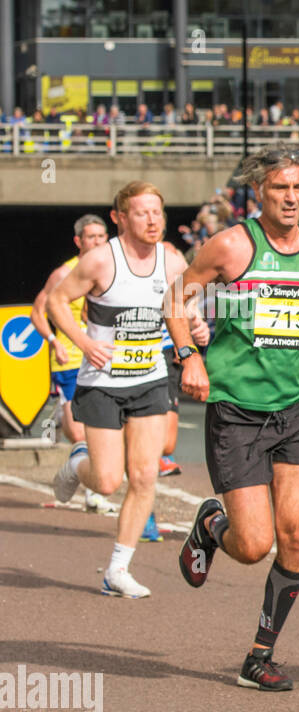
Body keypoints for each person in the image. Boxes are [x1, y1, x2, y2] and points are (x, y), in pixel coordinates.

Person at [170, 146, 299, 691]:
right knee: (253, 544)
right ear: (259, 192)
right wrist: (190, 357)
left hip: (295, 411)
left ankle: (259, 655)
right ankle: (212, 526)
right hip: (237, 412)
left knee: (296, 535)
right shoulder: (233, 246)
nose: (290, 198)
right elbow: (178, 297)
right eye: (279, 188)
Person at [47, 184, 192, 596]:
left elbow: (183, 305)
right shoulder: (100, 261)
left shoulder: (172, 261)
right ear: (120, 218)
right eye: (142, 213)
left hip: (148, 378)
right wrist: (84, 342)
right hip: (103, 384)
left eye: (158, 213)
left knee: (145, 474)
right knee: (108, 481)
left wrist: (192, 326)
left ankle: (117, 569)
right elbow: (57, 302)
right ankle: (78, 463)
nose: (152, 221)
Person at [29, 214, 112, 512]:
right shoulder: (64, 272)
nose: (98, 242)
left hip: (104, 356)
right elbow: (38, 312)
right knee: (79, 431)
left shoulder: (112, 268)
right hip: (70, 357)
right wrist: (53, 341)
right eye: (92, 237)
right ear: (79, 241)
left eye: (102, 237)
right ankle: (91, 483)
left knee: (100, 426)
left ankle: (93, 483)